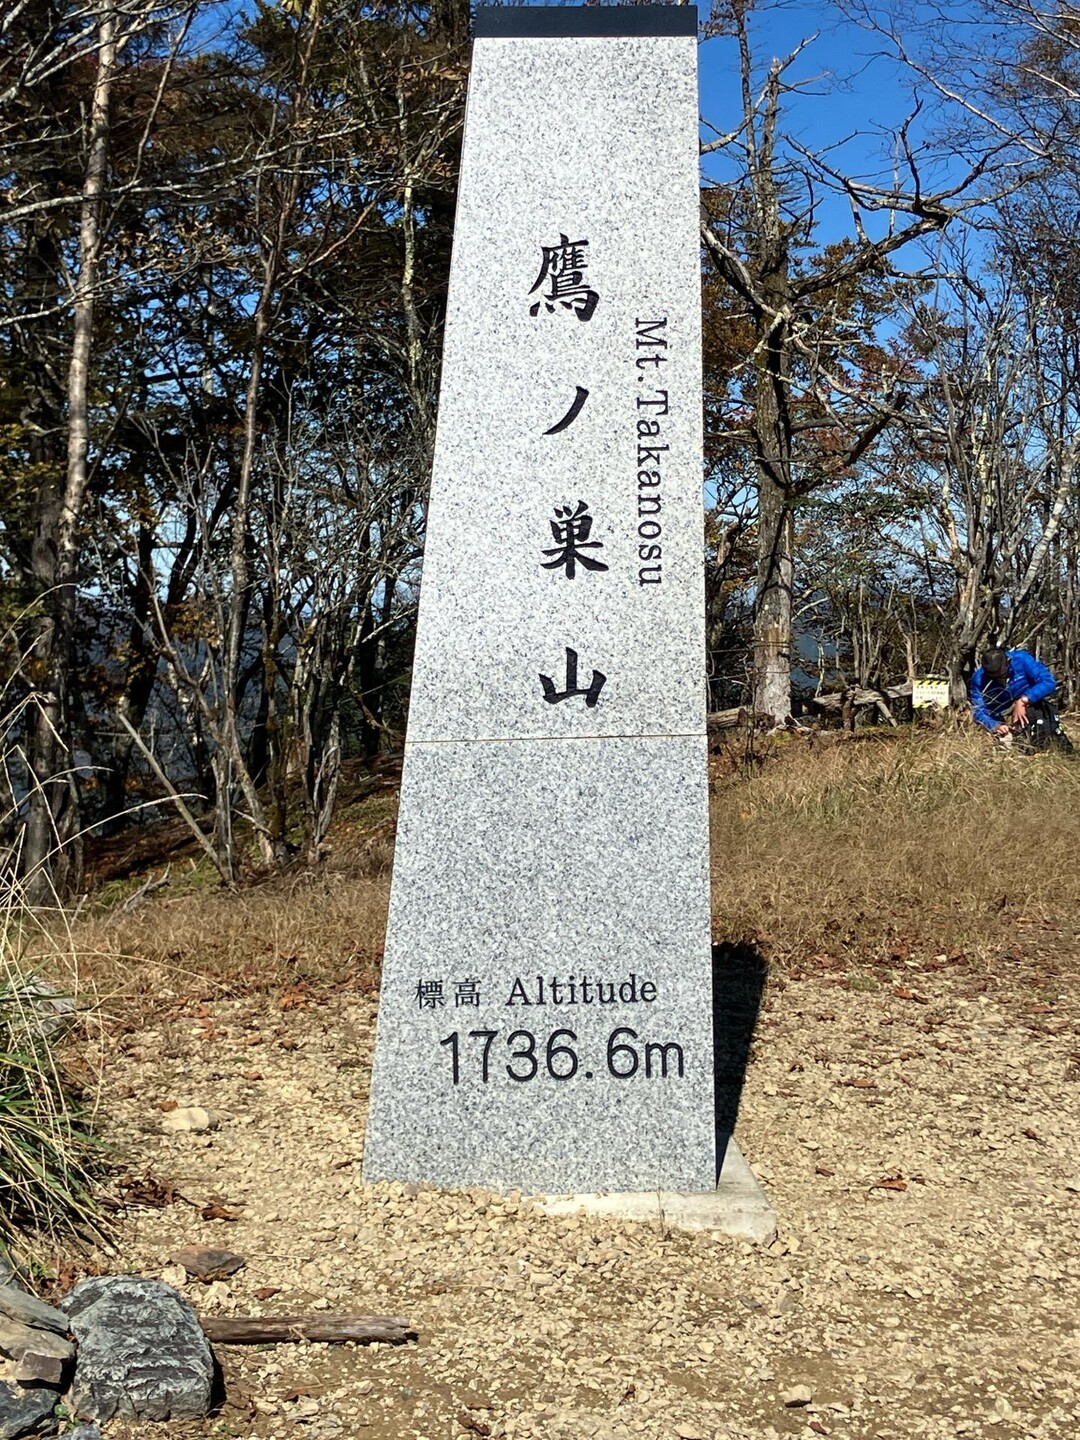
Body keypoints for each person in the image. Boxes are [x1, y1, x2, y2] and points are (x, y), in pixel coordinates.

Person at [969, 645, 1061, 744]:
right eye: (993, 677)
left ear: (1008, 662)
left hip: (1030, 706)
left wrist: (1024, 700)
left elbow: (1048, 682)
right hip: (1001, 716)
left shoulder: (1022, 659)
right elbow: (979, 710)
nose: (999, 679)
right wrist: (995, 726)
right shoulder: (978, 679)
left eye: (1002, 674)